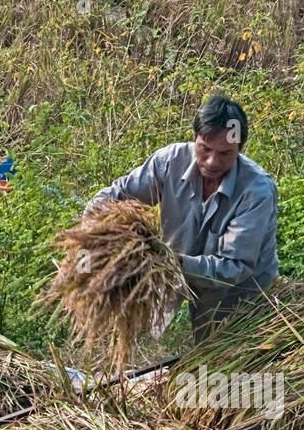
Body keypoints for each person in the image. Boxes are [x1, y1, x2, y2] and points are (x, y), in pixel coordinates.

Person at [87, 95, 278, 339]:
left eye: (224, 154)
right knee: (145, 339)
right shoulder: (169, 162)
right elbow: (119, 195)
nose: (211, 161)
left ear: (240, 150)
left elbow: (234, 267)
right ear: (194, 138)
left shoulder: (256, 191)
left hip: (237, 291)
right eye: (205, 148)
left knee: (219, 351)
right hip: (176, 267)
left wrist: (173, 262)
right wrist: (91, 231)